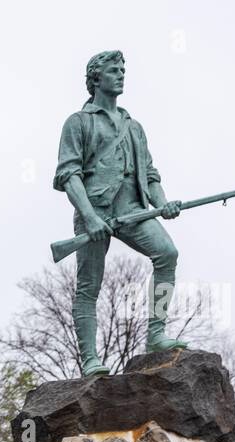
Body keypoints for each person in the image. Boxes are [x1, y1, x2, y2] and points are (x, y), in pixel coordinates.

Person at [54, 50, 185, 377]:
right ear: (96, 77)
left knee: (167, 253)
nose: (121, 74)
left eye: (123, 69)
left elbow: (151, 175)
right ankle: (90, 360)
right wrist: (89, 216)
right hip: (94, 210)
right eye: (114, 70)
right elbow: (69, 175)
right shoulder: (78, 122)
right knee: (88, 287)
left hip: (133, 208)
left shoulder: (134, 127)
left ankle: (156, 334)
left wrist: (163, 203)